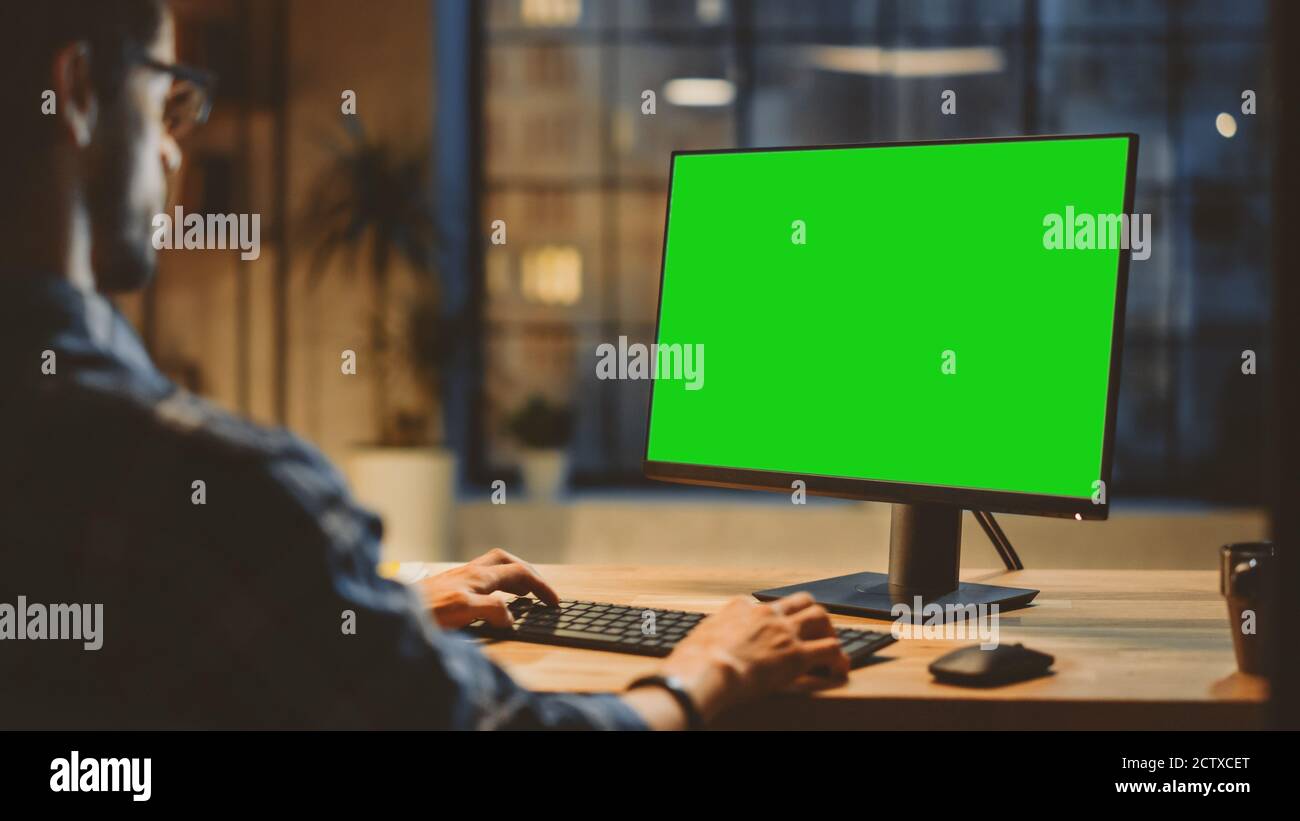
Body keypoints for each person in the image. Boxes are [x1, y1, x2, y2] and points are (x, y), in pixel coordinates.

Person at [0, 0, 848, 730]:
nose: (175, 152)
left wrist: (366, 615)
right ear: (74, 93)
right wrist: (708, 671)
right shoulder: (223, 488)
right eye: (166, 102)